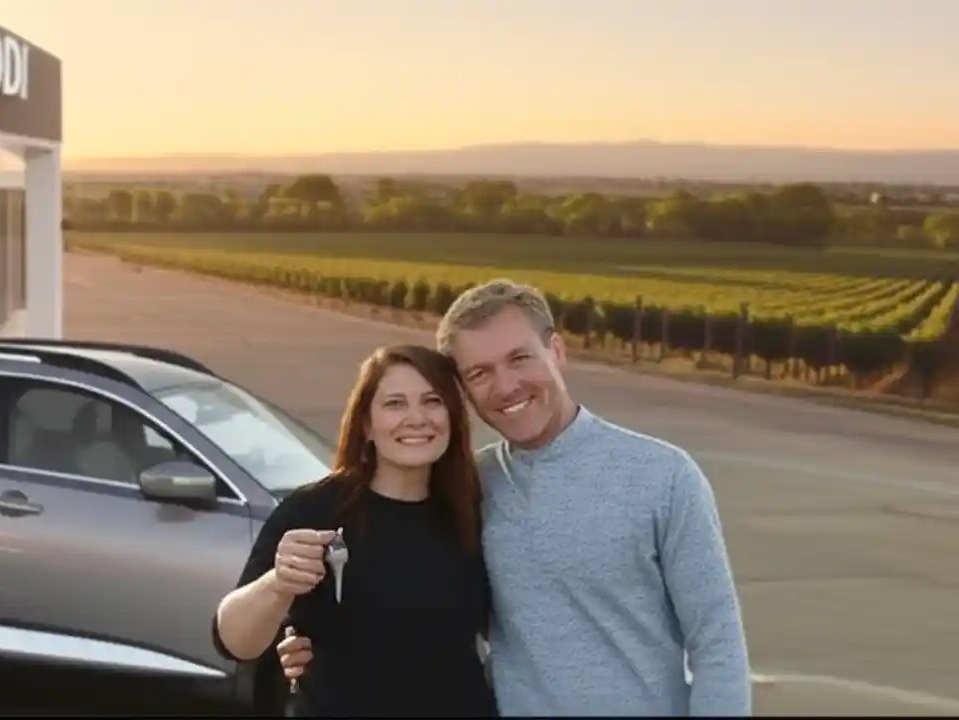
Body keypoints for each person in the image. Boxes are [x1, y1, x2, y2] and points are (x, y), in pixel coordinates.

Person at [276, 279, 752, 717]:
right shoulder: (470, 486)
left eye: (520, 359)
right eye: (480, 373)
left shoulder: (663, 476)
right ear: (463, 391)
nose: (505, 386)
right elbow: (417, 603)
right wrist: (315, 643)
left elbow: (718, 644)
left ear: (557, 351)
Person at [211, 344, 498, 717]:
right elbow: (235, 642)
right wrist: (279, 583)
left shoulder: (475, 509)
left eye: (433, 401)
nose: (416, 418)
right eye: (395, 403)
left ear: (454, 416)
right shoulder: (315, 510)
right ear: (366, 423)